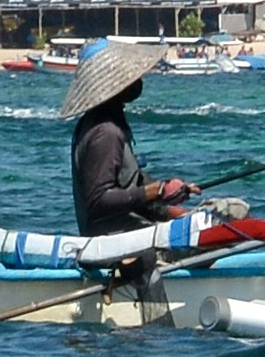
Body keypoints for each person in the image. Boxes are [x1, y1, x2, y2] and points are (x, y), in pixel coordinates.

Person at [66, 49, 187, 233]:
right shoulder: (105, 133)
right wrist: (154, 191)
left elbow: (129, 183)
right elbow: (99, 199)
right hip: (113, 239)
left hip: (131, 224)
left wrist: (167, 203)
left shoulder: (107, 122)